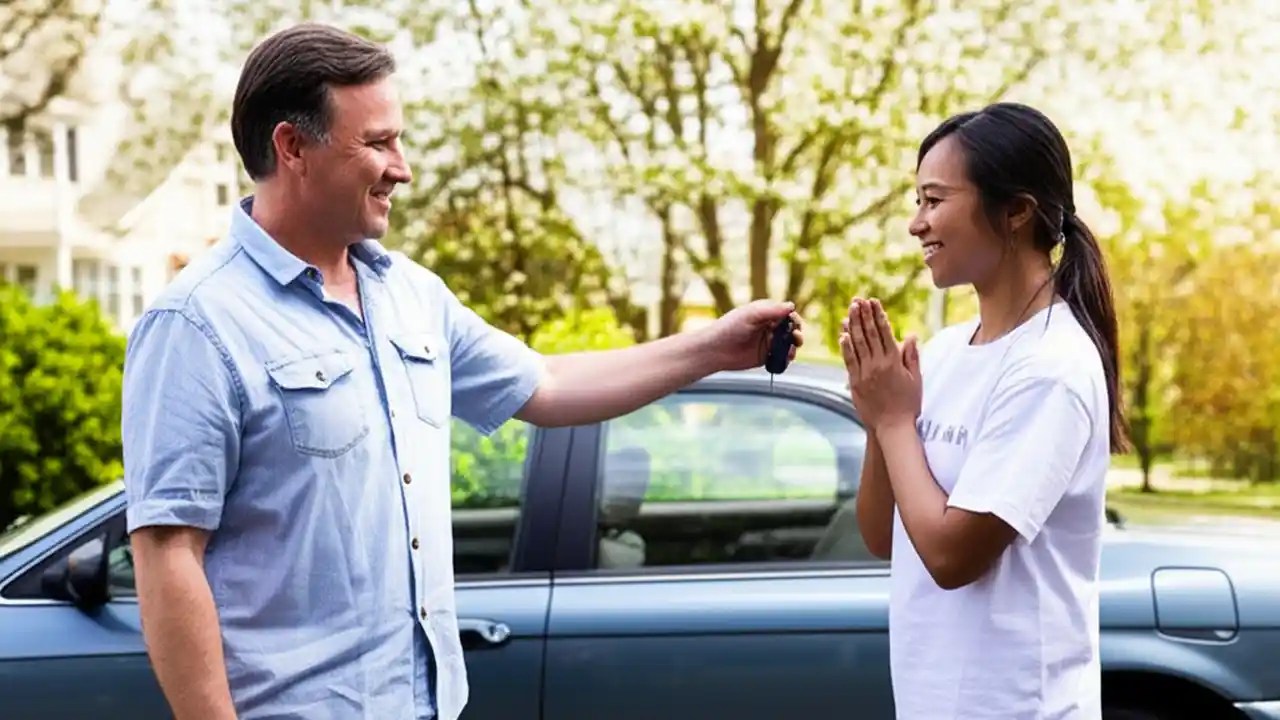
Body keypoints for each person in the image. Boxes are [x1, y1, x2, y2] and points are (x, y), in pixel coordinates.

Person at [121, 22, 803, 720]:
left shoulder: (410, 295)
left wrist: (715, 348)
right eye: (378, 142)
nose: (402, 167)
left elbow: (549, 385)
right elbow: (169, 551)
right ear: (293, 147)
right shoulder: (197, 323)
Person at [844, 102, 1126, 719]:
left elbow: (952, 558)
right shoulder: (945, 354)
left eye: (934, 200)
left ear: (1016, 211)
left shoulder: (1052, 368)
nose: (917, 224)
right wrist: (878, 413)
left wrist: (895, 419)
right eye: (917, 202)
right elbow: (881, 536)